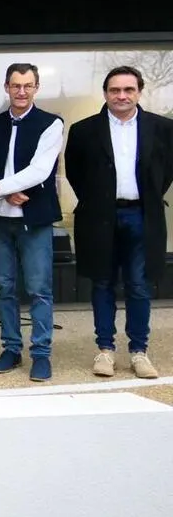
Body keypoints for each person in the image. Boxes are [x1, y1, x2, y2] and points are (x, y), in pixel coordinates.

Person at [64, 65, 173, 379]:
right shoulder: (84, 130)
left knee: (139, 286)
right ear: (106, 94)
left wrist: (148, 196)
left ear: (139, 92)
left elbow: (166, 172)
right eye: (115, 90)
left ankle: (139, 351)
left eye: (128, 90)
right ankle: (105, 350)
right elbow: (75, 174)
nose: (121, 96)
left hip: (142, 216)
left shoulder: (162, 128)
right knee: (103, 283)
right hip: (101, 218)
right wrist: (98, 201)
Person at [0, 63, 64, 382]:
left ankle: (41, 354)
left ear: (36, 88)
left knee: (39, 288)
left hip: (34, 219)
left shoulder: (51, 123)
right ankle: (11, 348)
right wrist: (0, 190)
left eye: (28, 85)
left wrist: (1, 187)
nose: (21, 91)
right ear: (7, 87)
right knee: (5, 287)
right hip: (1, 220)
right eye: (16, 85)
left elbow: (41, 170)